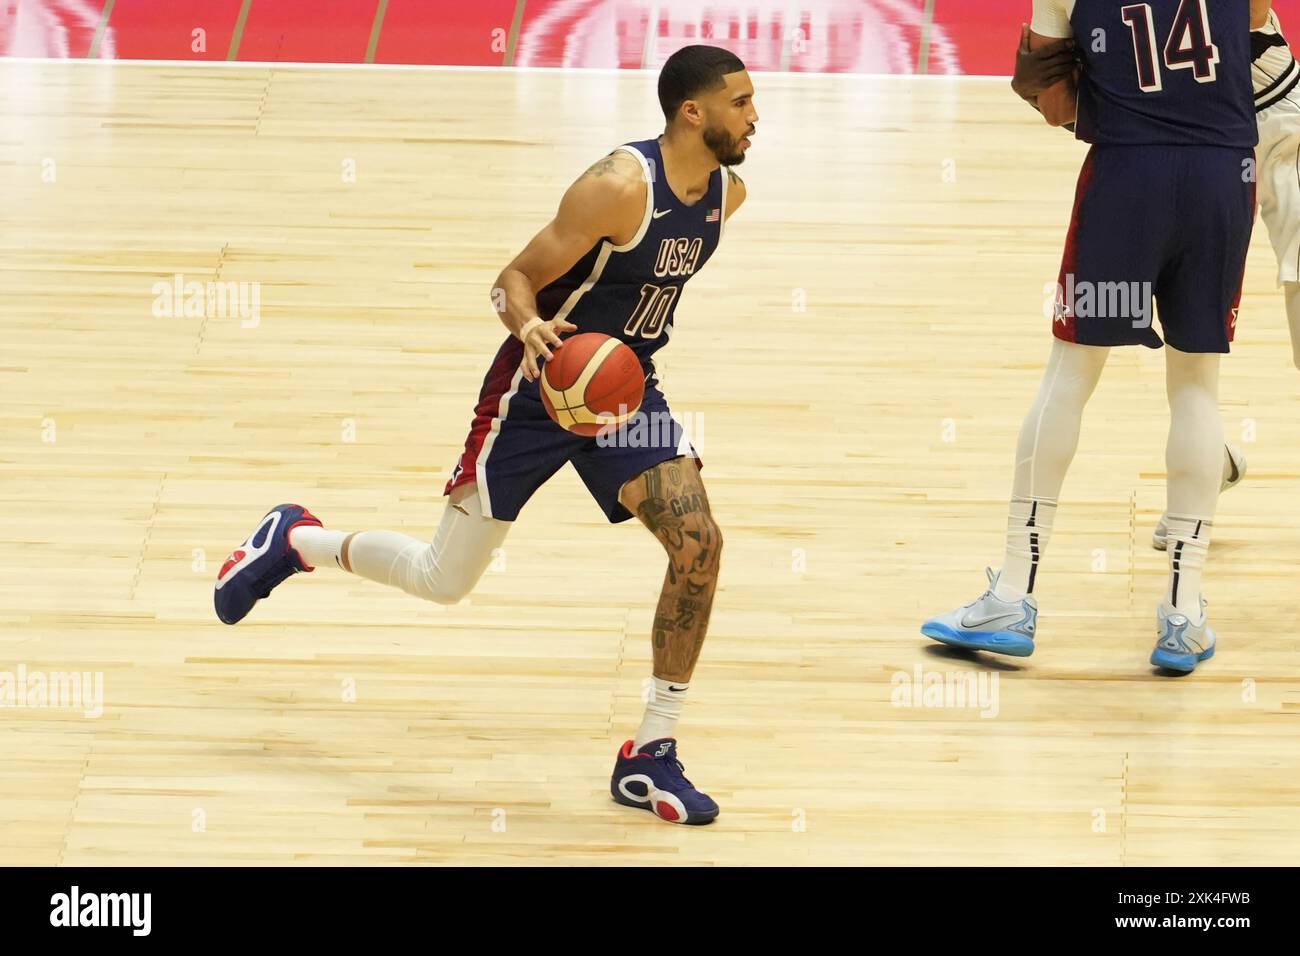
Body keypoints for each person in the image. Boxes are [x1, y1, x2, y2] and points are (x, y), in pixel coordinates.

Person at [213, 45, 757, 824]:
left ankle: (650, 756)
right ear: (691, 113)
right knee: (444, 578)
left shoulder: (726, 196)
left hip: (622, 391)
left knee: (699, 542)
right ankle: (297, 541)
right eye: (740, 102)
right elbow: (512, 278)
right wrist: (532, 325)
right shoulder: (616, 187)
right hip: (539, 388)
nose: (755, 116)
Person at [923, 1, 1262, 673]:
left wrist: (1123, 106)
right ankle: (1182, 613)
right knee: (1196, 384)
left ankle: (1014, 596)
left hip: (1126, 178)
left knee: (1069, 377)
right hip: (1224, 174)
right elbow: (1256, 42)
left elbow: (1047, 93)